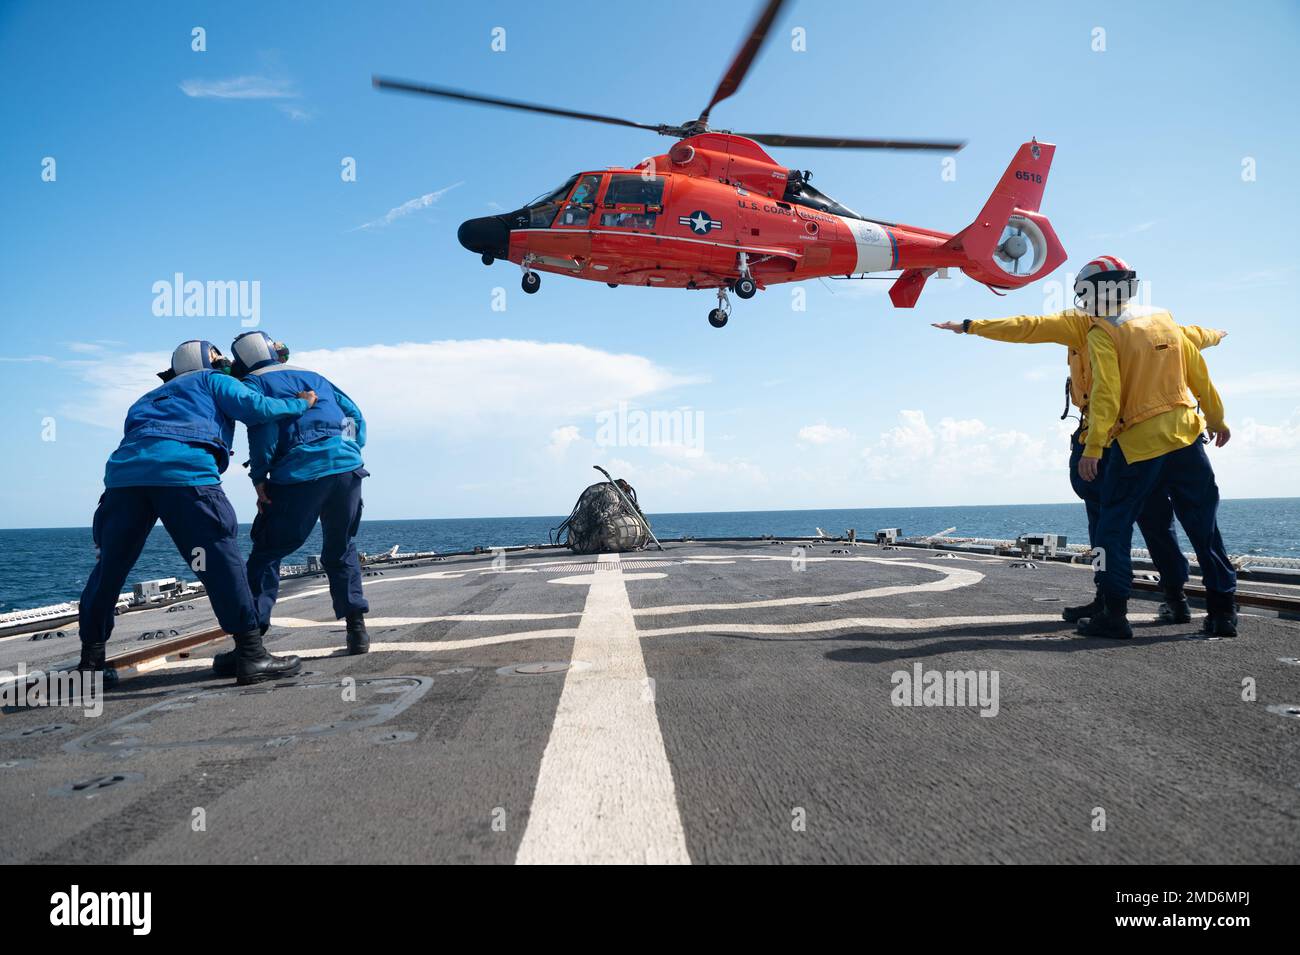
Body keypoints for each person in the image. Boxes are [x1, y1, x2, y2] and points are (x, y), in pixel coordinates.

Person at [932, 255, 1226, 624]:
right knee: (1158, 524)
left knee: (1108, 528)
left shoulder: (1093, 326)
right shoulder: (1151, 321)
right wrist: (1217, 337)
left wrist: (970, 326)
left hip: (1111, 443)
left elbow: (1031, 329)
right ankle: (1171, 598)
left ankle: (1113, 603)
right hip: (1158, 438)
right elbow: (1193, 338)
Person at [77, 340, 316, 687]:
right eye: (220, 359)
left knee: (110, 569)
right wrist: (300, 403)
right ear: (208, 361)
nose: (227, 365)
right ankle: (251, 654)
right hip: (186, 477)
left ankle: (91, 664)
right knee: (219, 559)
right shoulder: (212, 381)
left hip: (123, 482)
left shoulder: (145, 399)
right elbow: (256, 409)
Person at [1075, 260, 1237, 639]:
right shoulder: (1167, 321)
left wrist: (1094, 446)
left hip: (1138, 446)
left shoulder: (1102, 332)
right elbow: (1199, 376)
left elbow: (1106, 395)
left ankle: (1114, 615)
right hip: (1187, 441)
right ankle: (1223, 614)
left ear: (1095, 293)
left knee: (1111, 530)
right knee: (1205, 529)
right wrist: (1216, 420)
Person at [209, 332, 370, 679]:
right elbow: (353, 413)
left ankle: (250, 644)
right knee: (341, 547)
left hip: (298, 476)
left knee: (267, 553)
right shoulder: (315, 376)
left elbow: (263, 432)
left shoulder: (253, 384)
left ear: (241, 362)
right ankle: (356, 630)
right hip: (347, 470)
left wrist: (260, 478)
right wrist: (348, 449)